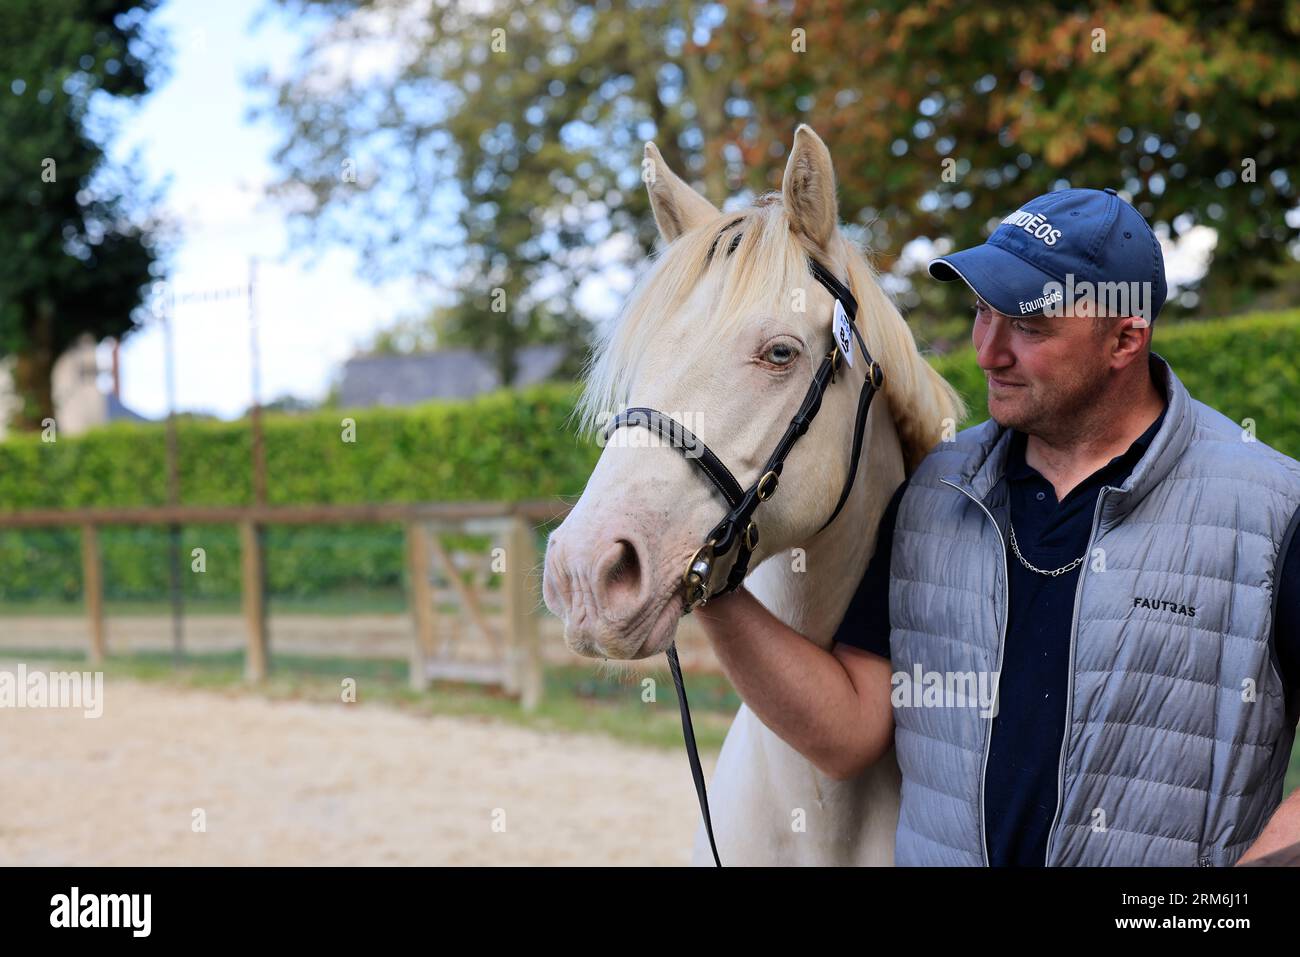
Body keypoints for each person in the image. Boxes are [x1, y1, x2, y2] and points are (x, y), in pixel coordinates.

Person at [696, 187, 1300, 866]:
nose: (987, 352)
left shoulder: (1273, 509)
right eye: (983, 312)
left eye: (1028, 327)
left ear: (1125, 339)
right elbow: (850, 731)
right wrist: (709, 586)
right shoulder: (932, 493)